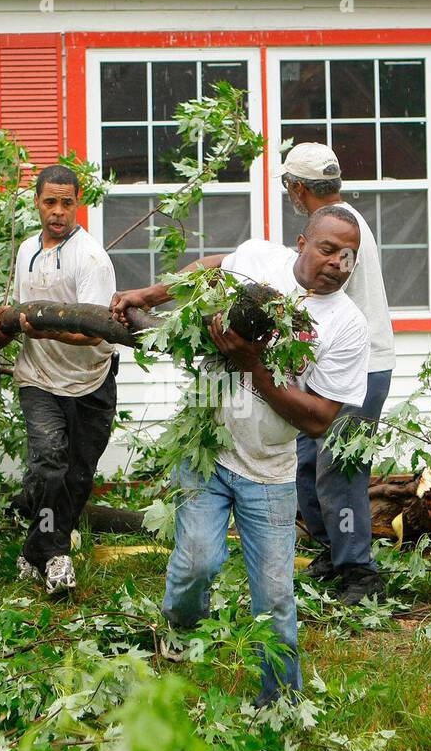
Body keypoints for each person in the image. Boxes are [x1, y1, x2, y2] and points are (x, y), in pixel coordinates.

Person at [110, 207, 369, 706]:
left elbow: (318, 419)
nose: (340, 262)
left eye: (349, 255)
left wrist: (254, 368)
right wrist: (146, 294)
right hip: (206, 444)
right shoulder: (259, 259)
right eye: (329, 249)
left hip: (269, 469)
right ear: (301, 242)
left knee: (273, 597)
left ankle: (280, 703)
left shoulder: (347, 326)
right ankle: (181, 637)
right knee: (195, 562)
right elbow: (211, 267)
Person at [0, 164, 118, 595]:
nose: (58, 212)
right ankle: (58, 557)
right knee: (49, 461)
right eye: (49, 202)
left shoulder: (92, 259)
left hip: (91, 378)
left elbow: (93, 330)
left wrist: (45, 330)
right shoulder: (26, 251)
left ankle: (33, 548)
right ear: (37, 203)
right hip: (38, 375)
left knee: (77, 477)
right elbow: (18, 311)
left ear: (78, 203)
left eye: (66, 203)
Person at [280, 143, 395, 606]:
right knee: (307, 464)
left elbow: (326, 286)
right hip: (326, 369)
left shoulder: (342, 229)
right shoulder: (335, 220)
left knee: (340, 472)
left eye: (289, 185)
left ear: (298, 187)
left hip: (359, 367)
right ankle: (332, 550)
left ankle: (359, 571)